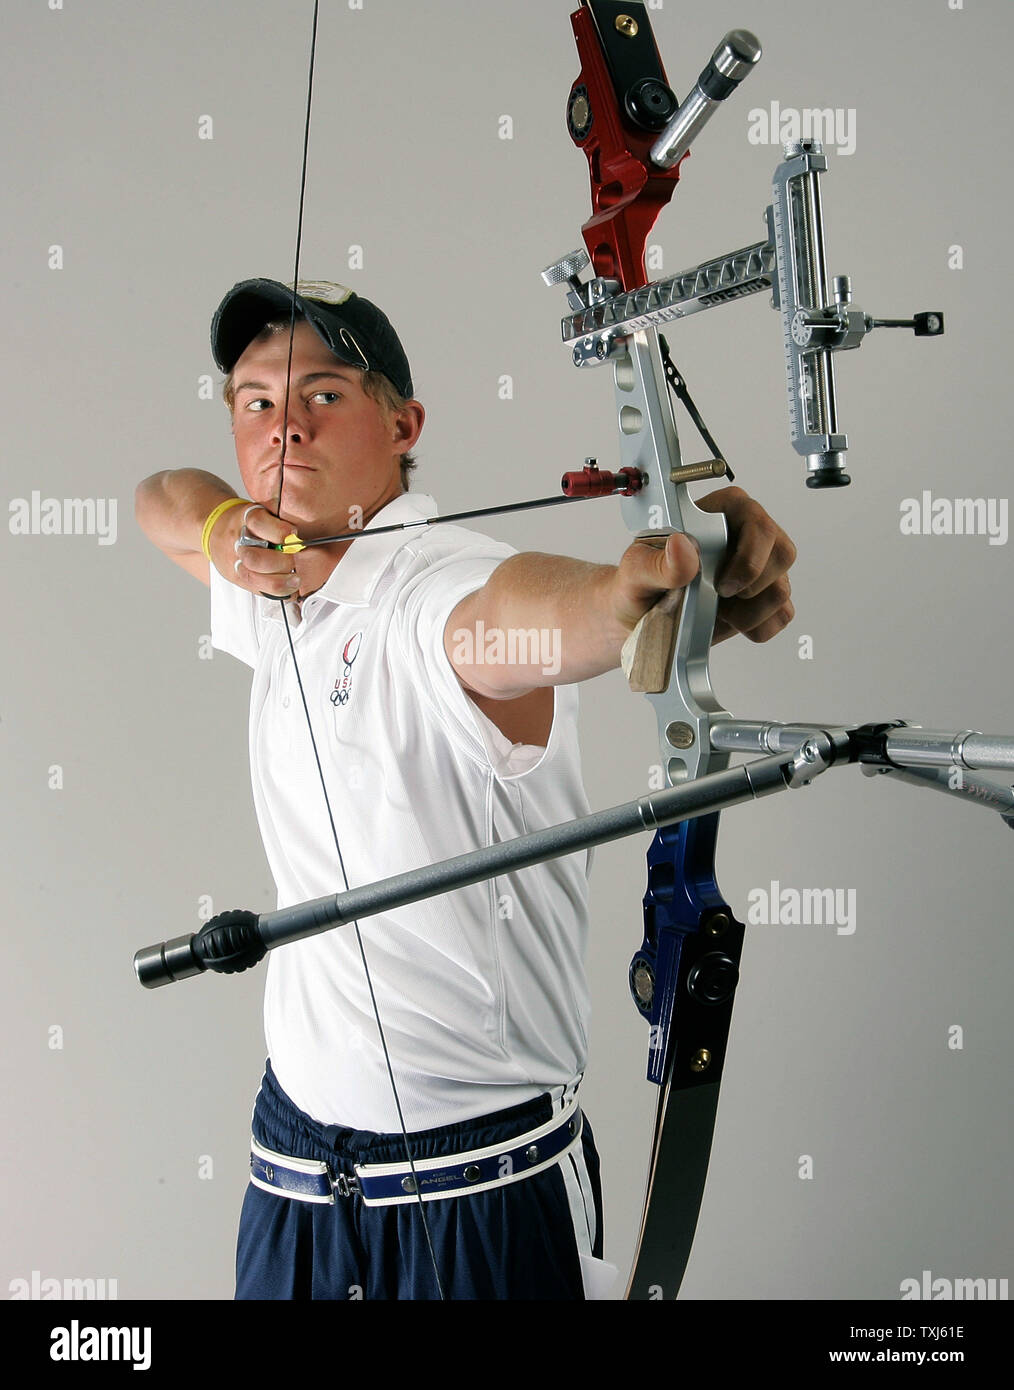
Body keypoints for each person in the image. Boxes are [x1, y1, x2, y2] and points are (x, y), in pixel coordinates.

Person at [135, 278, 796, 1301]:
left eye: (322, 396)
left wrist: (626, 595)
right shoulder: (279, 579)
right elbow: (162, 498)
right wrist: (225, 529)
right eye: (255, 401)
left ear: (404, 424)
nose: (281, 430)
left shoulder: (433, 588)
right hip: (297, 1177)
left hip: (474, 1192)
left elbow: (514, 618)